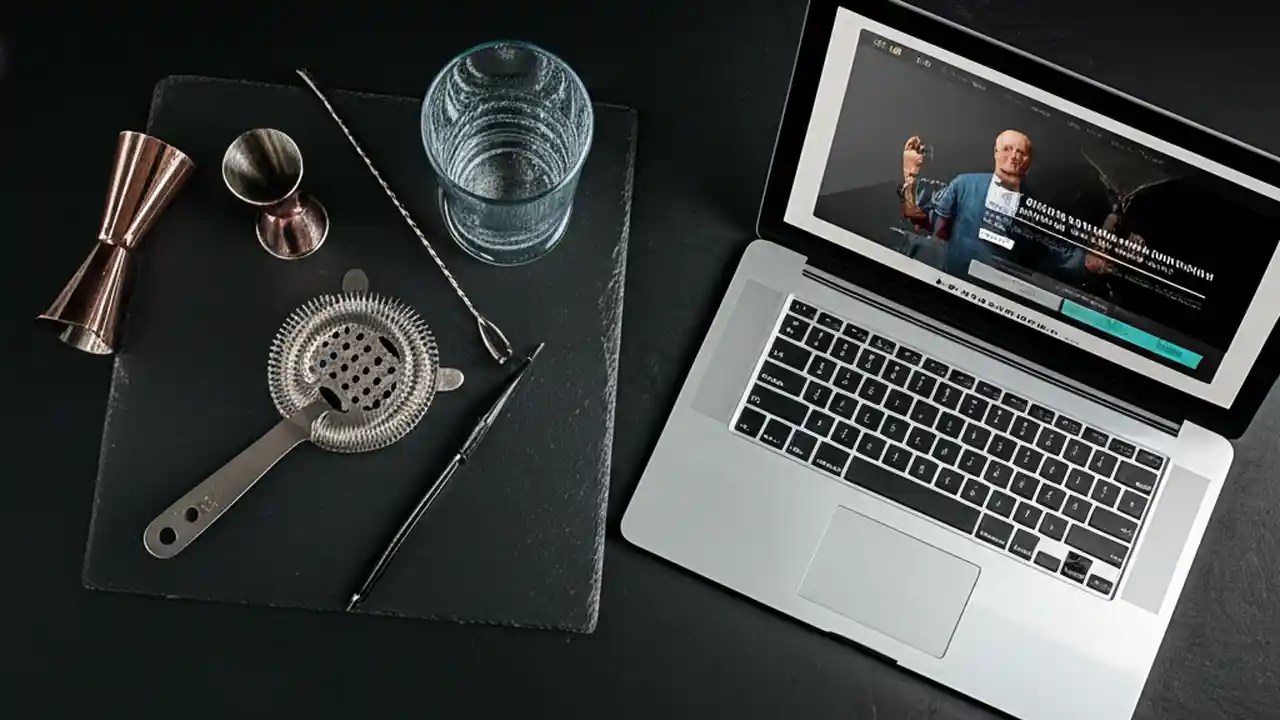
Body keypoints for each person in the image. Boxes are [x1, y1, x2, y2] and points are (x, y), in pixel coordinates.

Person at [922, 129, 1109, 278]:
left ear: (1029, 162)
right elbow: (938, 222)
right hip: (951, 277)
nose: (1014, 156)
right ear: (996, 152)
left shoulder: (1035, 209)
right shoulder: (964, 184)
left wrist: (1084, 262)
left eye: (1021, 152)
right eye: (1007, 149)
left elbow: (1049, 252)